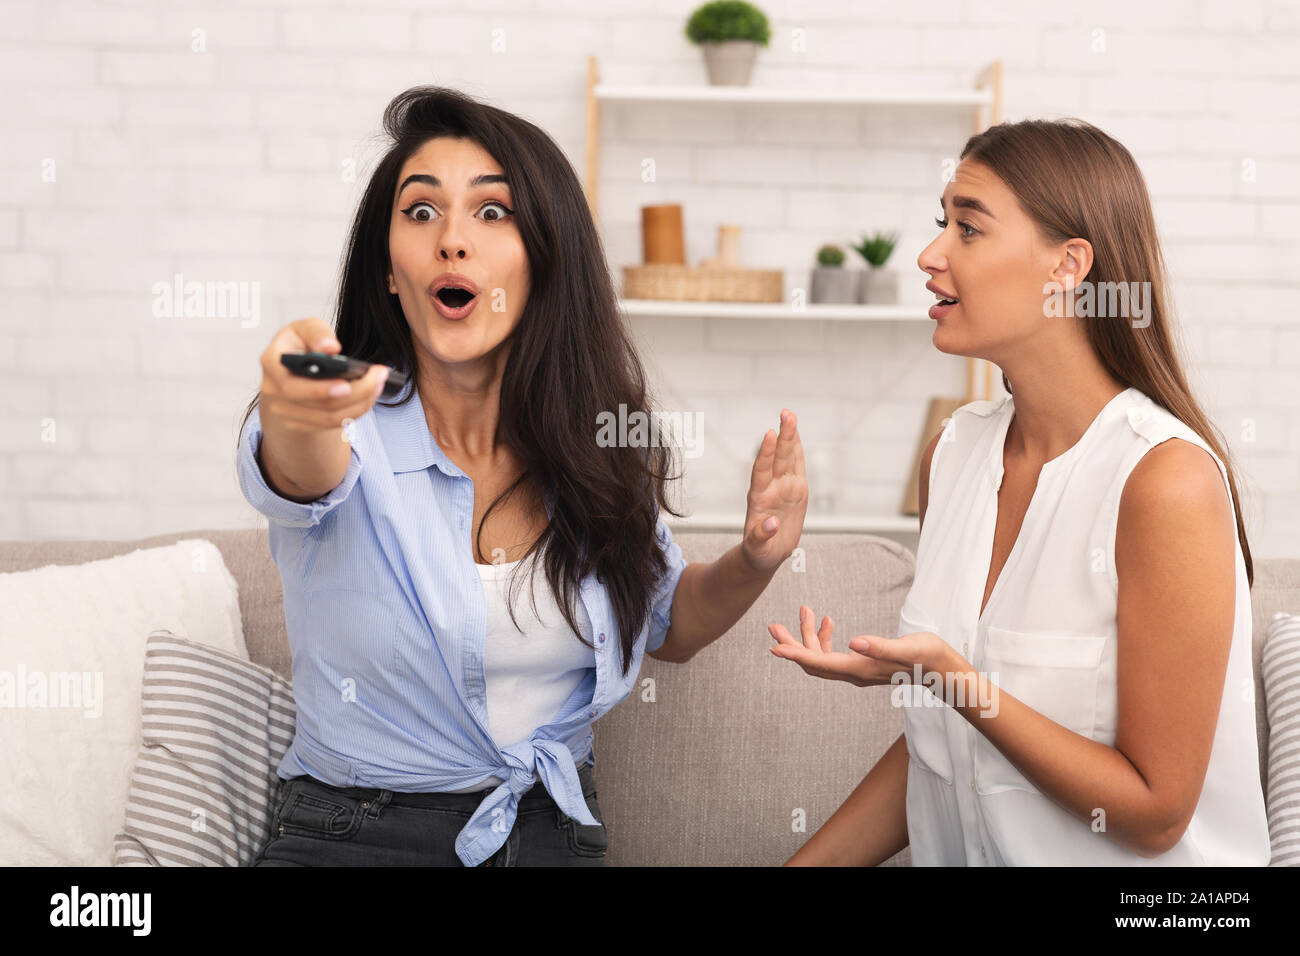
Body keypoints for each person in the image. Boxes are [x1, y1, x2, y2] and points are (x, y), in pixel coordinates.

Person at [236, 86, 808, 867]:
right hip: (351, 837)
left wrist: (756, 559)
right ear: (389, 275)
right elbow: (303, 468)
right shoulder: (344, 428)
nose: (453, 241)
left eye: (492, 212)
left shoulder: (595, 448)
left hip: (550, 834)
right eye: (421, 211)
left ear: (546, 259)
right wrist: (298, 410)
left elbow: (667, 624)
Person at [768, 118, 1269, 866]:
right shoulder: (955, 453)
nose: (930, 255)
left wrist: (953, 681)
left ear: (1068, 266)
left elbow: (1154, 813)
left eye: (968, 229)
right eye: (943, 223)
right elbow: (955, 755)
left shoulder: (1164, 480)